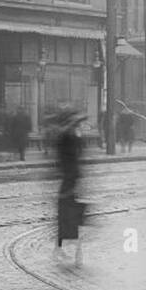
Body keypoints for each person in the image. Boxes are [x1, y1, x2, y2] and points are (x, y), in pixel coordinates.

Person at [54, 108, 86, 264]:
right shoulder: (67, 137)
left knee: (69, 214)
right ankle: (65, 248)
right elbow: (71, 158)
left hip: (71, 179)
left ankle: (66, 247)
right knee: (69, 214)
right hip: (69, 179)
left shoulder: (68, 136)